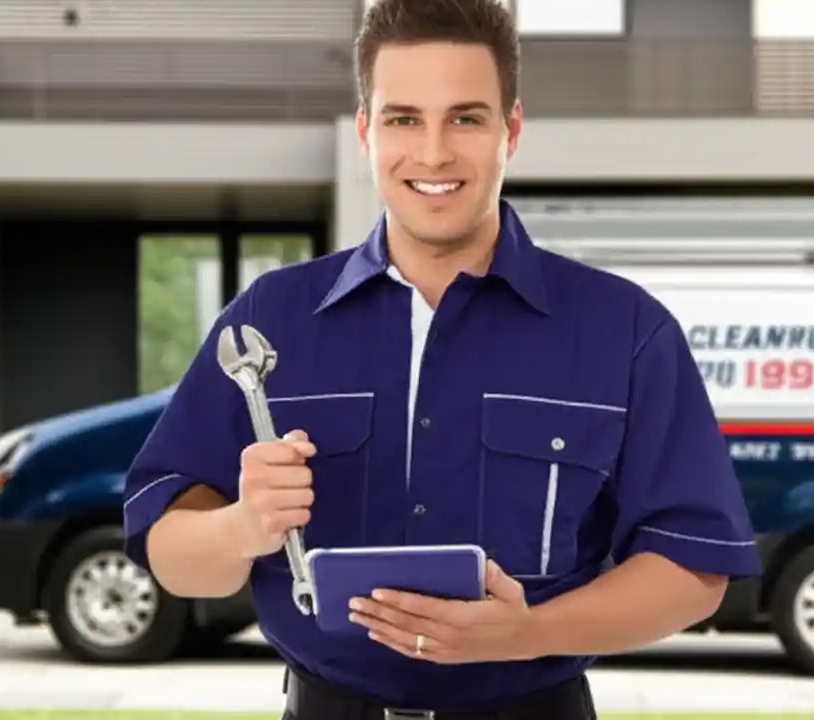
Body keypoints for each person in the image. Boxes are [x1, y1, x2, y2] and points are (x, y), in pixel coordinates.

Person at [122, 0, 761, 716]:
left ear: (509, 130)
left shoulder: (626, 329)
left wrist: (529, 633)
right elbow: (171, 555)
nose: (432, 154)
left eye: (465, 117)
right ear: (366, 132)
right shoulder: (269, 321)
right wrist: (240, 526)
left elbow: (695, 567)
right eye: (403, 119)